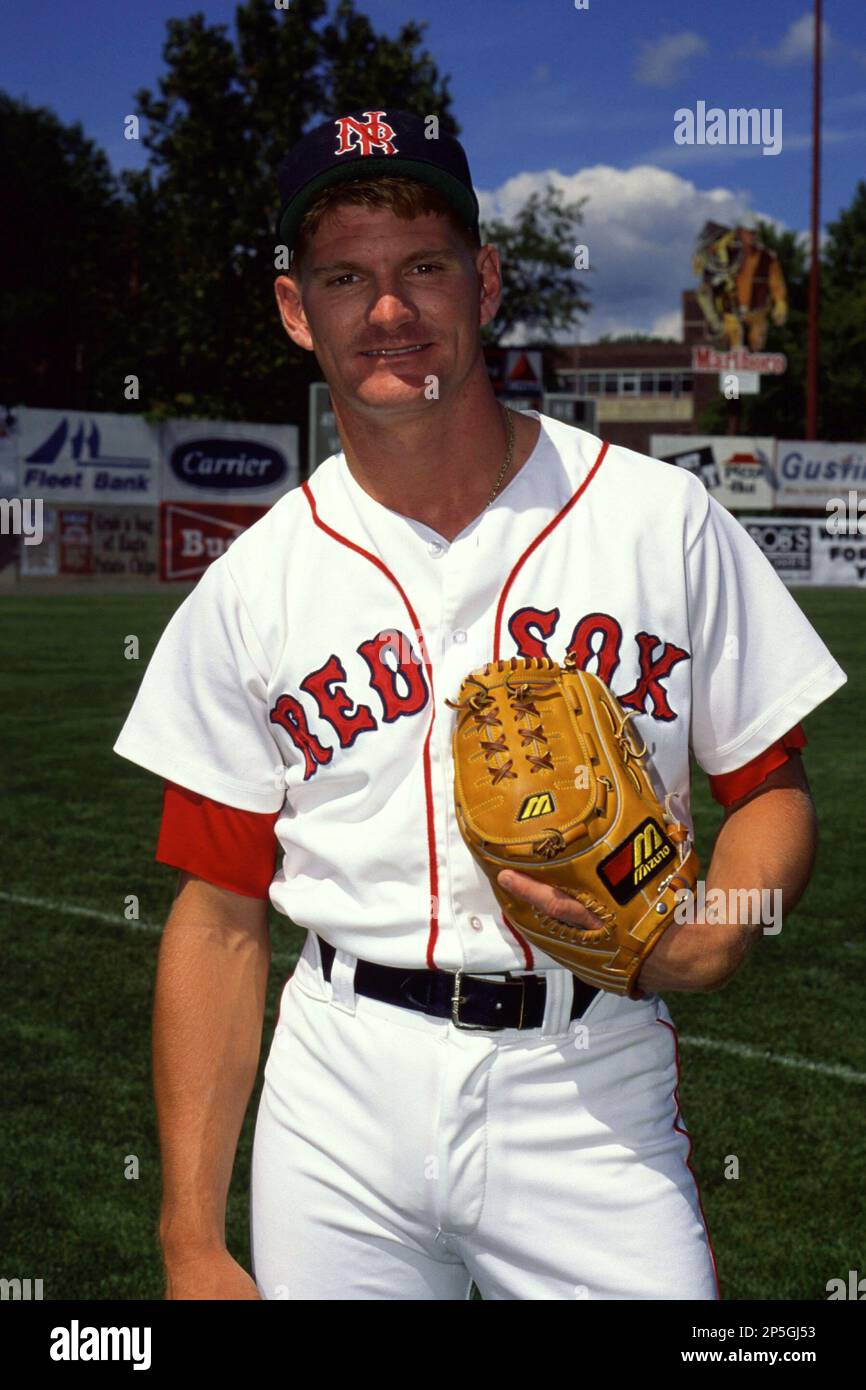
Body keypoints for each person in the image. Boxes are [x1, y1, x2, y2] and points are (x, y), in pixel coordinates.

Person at [113, 109, 847, 1301]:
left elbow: (769, 786)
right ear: (298, 311)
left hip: (588, 1080)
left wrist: (723, 923)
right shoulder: (254, 581)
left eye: (421, 266)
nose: (387, 310)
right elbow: (217, 911)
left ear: (485, 281)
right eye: (343, 276)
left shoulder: (656, 519)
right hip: (338, 1095)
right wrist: (191, 1237)